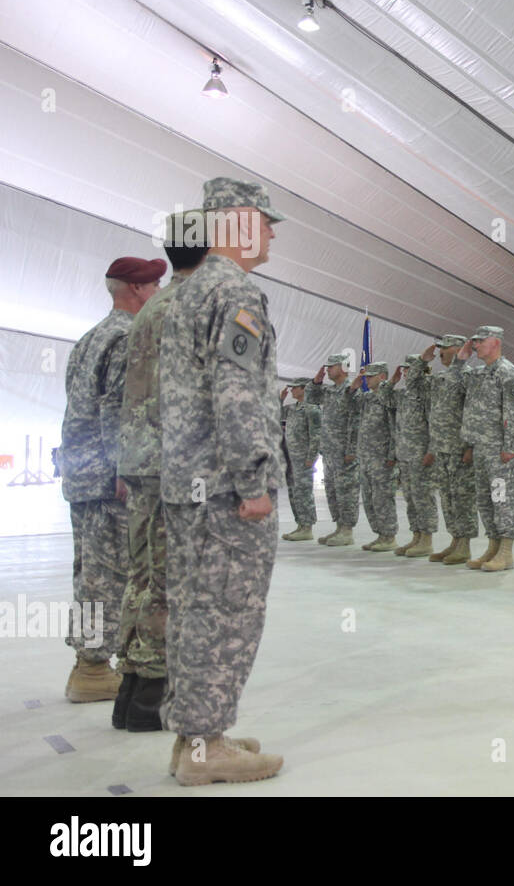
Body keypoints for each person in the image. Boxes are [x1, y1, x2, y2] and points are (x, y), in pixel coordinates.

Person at [159, 176, 285, 784]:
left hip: (189, 485)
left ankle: (193, 739)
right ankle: (206, 750)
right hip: (226, 489)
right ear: (234, 222)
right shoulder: (235, 290)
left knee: (192, 609)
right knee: (227, 613)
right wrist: (253, 480)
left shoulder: (186, 290)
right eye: (264, 221)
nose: (270, 233)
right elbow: (236, 395)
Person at [114, 218, 208, 731]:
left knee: (146, 577)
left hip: (146, 461)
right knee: (174, 583)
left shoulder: (154, 305)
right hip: (180, 465)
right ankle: (152, 697)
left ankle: (131, 691)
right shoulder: (197, 306)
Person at [62, 255, 164, 703]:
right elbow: (116, 407)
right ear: (137, 290)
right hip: (109, 478)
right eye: (154, 286)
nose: (158, 293)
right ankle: (93, 667)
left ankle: (91, 664)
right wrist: (125, 467)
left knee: (89, 571)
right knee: (112, 574)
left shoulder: (90, 338)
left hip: (82, 473)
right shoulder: (127, 337)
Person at [458, 327, 514, 570]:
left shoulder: (507, 372)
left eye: (479, 341)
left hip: (499, 451)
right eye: (473, 342)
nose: (475, 346)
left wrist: (509, 446)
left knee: (501, 499)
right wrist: (462, 359)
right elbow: (457, 381)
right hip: (480, 449)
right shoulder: (480, 373)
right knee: (485, 501)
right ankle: (493, 547)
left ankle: (506, 552)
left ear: (495, 342)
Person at [425, 334, 478, 564]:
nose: (439, 353)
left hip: (459, 448)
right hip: (442, 448)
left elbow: (474, 411)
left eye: (444, 348)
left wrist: (470, 446)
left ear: (457, 350)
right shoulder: (442, 377)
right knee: (447, 497)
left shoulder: (467, 376)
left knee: (462, 497)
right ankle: (454, 541)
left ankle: (464, 545)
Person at [307, 353, 361, 546]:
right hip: (329, 451)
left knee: (346, 491)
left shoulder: (351, 391)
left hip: (344, 452)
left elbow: (355, 422)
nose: (328, 369)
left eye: (332, 366)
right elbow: (310, 398)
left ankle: (347, 531)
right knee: (332, 491)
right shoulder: (330, 391)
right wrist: (316, 381)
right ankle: (339, 526)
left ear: (343, 368)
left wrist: (351, 449)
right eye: (327, 366)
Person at [391, 354, 436, 557]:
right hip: (406, 454)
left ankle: (426, 539)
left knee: (423, 496)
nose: (404, 373)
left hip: (421, 454)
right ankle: (416, 536)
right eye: (403, 369)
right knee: (410, 497)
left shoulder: (427, 391)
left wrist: (431, 450)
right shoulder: (405, 394)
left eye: (408, 369)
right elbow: (384, 396)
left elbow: (434, 422)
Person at [352, 363, 398, 552]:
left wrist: (392, 454)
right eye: (366, 377)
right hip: (366, 457)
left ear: (381, 377)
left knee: (383, 498)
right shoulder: (367, 398)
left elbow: (395, 427)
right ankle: (380, 534)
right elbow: (348, 403)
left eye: (370, 377)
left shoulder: (389, 399)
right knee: (369, 498)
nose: (366, 380)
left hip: (381, 457)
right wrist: (354, 385)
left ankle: (389, 536)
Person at [278, 379, 321, 542]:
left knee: (304, 493)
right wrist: (280, 399)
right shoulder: (292, 409)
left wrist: (311, 457)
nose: (292, 391)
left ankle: (307, 526)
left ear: (304, 389)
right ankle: (300, 524)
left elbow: (316, 435)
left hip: (303, 458)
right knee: (294, 493)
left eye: (295, 388)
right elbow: (276, 414)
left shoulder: (312, 410)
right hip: (291, 458)